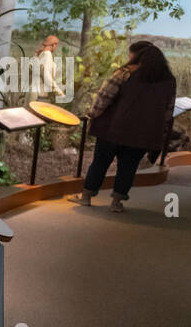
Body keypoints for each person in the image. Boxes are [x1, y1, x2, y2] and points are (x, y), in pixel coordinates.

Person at [69, 42, 175, 213]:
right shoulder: (169, 81)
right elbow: (168, 111)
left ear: (137, 56)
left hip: (113, 129)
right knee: (128, 167)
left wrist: (92, 114)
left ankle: (86, 197)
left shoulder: (124, 73)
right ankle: (116, 203)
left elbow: (104, 98)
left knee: (100, 162)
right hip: (143, 134)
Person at [30, 35, 66, 102]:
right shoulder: (47, 55)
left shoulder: (41, 55)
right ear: (53, 45)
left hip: (34, 92)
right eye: (56, 46)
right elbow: (47, 77)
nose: (56, 48)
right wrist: (59, 93)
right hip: (39, 95)